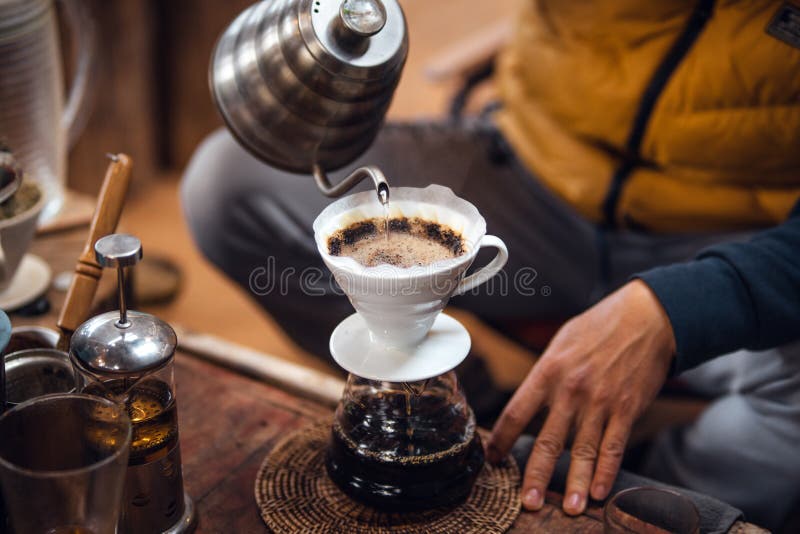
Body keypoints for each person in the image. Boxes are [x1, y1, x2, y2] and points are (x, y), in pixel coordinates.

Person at [181, 0, 800, 528]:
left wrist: (682, 306)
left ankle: (616, 490)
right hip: (531, 174)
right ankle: (481, 418)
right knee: (227, 186)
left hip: (733, 231)